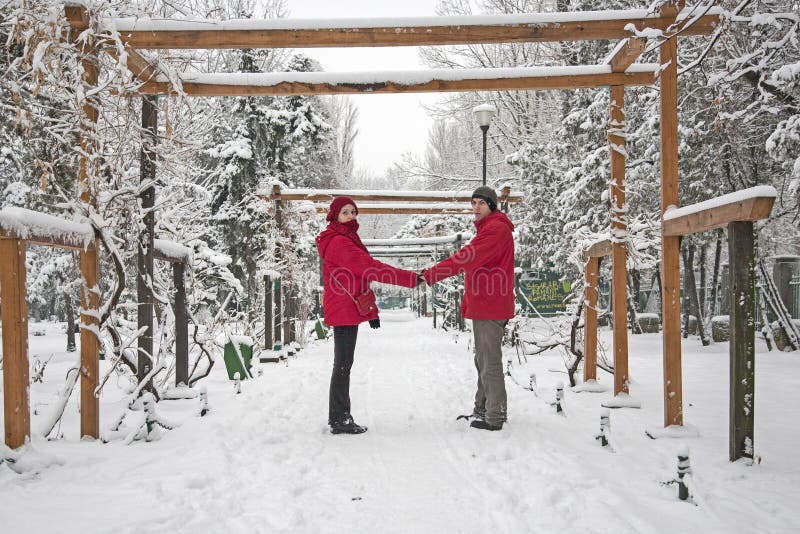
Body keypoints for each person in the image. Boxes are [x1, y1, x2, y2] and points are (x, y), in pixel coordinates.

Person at [316, 196, 420, 435]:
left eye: (353, 211)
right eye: (345, 212)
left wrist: (371, 310)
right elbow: (371, 268)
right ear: (334, 216)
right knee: (342, 364)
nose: (351, 216)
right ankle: (339, 418)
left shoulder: (346, 239)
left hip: (346, 307)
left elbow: (359, 278)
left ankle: (340, 416)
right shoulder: (340, 242)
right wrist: (411, 279)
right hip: (343, 309)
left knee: (344, 364)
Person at [423, 186, 515, 431]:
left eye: (481, 203)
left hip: (490, 304)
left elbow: (466, 258)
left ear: (492, 206)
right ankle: (482, 408)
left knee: (489, 362)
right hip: (487, 304)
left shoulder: (495, 230)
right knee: (482, 360)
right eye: (473, 203)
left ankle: (495, 416)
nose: (476, 207)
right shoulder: (489, 229)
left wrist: (432, 274)